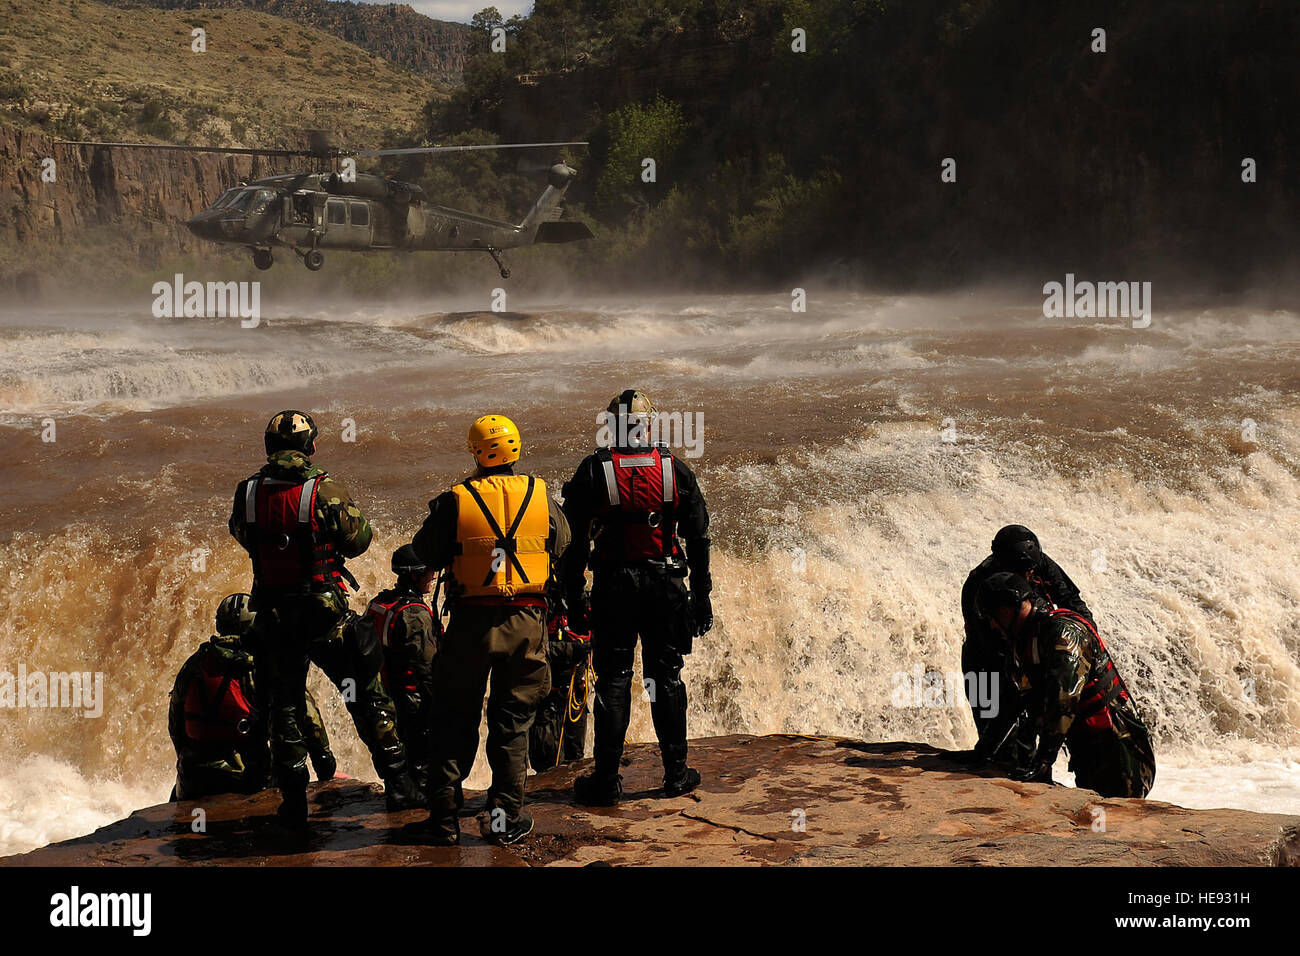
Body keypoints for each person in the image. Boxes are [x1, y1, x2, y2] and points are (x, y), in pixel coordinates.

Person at [228, 410, 421, 826]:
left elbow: (242, 535)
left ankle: (294, 804)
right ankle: (401, 786)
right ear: (310, 446)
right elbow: (359, 542)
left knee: (286, 708)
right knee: (365, 696)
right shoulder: (323, 490)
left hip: (275, 619)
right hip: (324, 618)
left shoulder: (247, 493)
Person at [411, 413, 571, 846]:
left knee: (452, 717)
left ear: (475, 453)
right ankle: (503, 822)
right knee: (513, 721)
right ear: (516, 449)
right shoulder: (540, 494)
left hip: (470, 625)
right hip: (526, 623)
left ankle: (444, 821)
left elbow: (423, 550)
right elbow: (562, 543)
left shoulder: (454, 500)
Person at [560, 390, 713, 807]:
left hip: (614, 588)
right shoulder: (675, 470)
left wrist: (574, 599)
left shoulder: (593, 471)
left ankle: (606, 781)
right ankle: (676, 775)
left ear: (611, 425)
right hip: (665, 588)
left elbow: (572, 548)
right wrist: (702, 597)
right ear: (649, 424)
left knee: (613, 679)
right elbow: (698, 541)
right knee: (666, 678)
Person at [972, 572, 1156, 798]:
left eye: (992, 616)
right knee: (1093, 816)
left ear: (1007, 609)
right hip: (1085, 743)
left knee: (1116, 816)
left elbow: (1064, 698)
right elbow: (1016, 700)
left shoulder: (1063, 632)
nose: (992, 625)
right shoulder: (1023, 640)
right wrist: (983, 751)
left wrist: (1044, 761)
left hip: (1118, 745)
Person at [168, 593, 335, 800]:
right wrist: (325, 765)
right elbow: (308, 719)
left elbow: (175, 724)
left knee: (177, 796)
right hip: (248, 777)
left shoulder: (195, 663)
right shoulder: (264, 664)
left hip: (193, 776)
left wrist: (187, 759)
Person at [960, 525, 1093, 762]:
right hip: (983, 660)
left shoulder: (1038, 563)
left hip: (1026, 647)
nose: (1025, 578)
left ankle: (1030, 769)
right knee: (995, 735)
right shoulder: (978, 585)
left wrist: (1084, 647)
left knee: (1029, 730)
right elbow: (991, 646)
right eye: (1017, 572)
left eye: (1028, 571)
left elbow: (1074, 604)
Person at [364, 545, 440, 793]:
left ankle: (399, 797)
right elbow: (427, 671)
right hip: (412, 701)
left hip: (383, 696)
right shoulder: (415, 614)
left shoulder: (379, 602)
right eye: (429, 571)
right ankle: (418, 810)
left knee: (399, 761)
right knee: (421, 764)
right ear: (416, 576)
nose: (434, 576)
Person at [528, 610, 592, 772]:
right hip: (548, 700)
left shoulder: (582, 605)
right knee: (546, 758)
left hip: (574, 697)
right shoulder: (541, 606)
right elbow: (531, 645)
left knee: (575, 755)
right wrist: (570, 650)